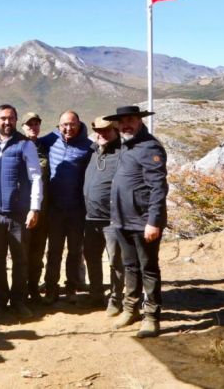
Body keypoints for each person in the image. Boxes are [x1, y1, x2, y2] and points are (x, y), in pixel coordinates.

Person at [104, 105, 168, 338]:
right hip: (121, 220)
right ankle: (130, 309)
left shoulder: (149, 147)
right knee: (130, 266)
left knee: (148, 269)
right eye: (121, 122)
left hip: (143, 222)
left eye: (130, 120)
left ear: (140, 121)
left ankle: (151, 317)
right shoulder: (125, 145)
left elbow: (158, 189)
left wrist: (153, 222)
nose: (125, 125)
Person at [0, 104, 42, 318]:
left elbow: (35, 177)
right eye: (2, 118)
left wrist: (34, 208)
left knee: (20, 259)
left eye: (11, 118)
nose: (7, 122)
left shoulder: (25, 145)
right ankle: (0, 302)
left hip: (19, 213)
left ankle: (19, 301)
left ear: (16, 120)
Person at [40, 110, 93, 304]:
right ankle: (51, 289)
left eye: (72, 124)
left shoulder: (88, 147)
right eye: (64, 125)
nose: (68, 128)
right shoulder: (50, 140)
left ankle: (71, 287)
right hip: (54, 209)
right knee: (53, 251)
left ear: (79, 124)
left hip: (77, 209)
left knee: (74, 251)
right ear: (58, 126)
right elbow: (33, 142)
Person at [80, 116, 124, 314]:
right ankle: (96, 294)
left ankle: (116, 299)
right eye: (98, 130)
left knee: (116, 261)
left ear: (115, 130)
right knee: (91, 257)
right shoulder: (92, 152)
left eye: (106, 130)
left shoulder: (123, 154)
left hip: (112, 219)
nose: (101, 134)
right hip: (90, 218)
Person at [21, 112, 50, 304]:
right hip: (23, 209)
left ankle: (33, 287)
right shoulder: (17, 146)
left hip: (44, 209)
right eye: (29, 124)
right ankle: (20, 290)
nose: (33, 127)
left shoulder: (46, 146)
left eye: (36, 123)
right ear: (22, 126)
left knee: (38, 251)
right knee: (21, 252)